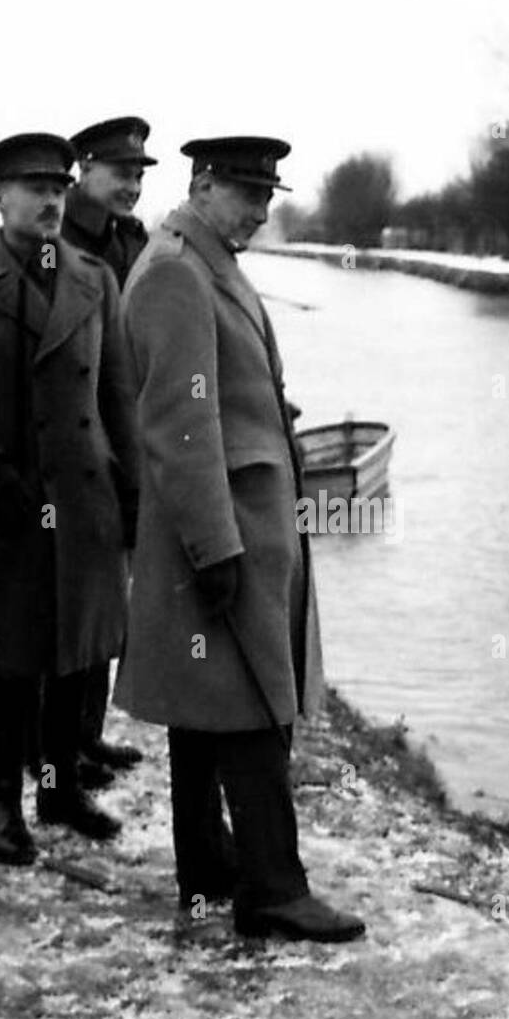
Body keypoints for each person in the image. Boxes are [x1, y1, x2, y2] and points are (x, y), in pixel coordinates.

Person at [114, 136, 365, 942]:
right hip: (223, 531)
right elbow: (178, 425)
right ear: (203, 184)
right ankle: (272, 889)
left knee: (207, 707)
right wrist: (216, 546)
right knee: (255, 710)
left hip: (239, 521)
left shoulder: (202, 259)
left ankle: (209, 871)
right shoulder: (178, 273)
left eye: (268, 194)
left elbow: (219, 392)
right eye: (246, 194)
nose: (261, 210)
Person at [0, 132, 139, 865]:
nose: (52, 200)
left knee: (74, 653)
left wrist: (132, 488)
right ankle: (2, 801)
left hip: (81, 494)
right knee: (8, 661)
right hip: (5, 499)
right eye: (35, 188)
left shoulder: (95, 279)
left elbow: (119, 394)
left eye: (60, 187)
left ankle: (60, 790)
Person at [61, 116, 159, 785]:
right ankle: (54, 754)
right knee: (68, 610)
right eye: (120, 173)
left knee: (106, 606)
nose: (131, 185)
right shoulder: (59, 241)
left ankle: (84, 737)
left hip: (130, 439)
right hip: (75, 449)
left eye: (138, 175)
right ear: (84, 172)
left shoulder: (133, 241)